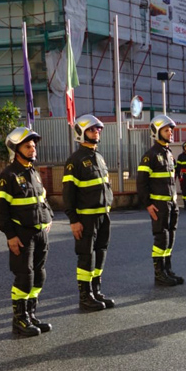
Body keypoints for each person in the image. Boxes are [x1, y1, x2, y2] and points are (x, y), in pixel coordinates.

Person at [0, 127, 54, 337]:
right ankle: (19, 319)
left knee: (39, 275)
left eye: (33, 146)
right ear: (16, 149)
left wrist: (49, 217)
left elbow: (42, 198)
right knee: (24, 276)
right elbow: (0, 211)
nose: (32, 149)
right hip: (22, 235)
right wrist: (10, 235)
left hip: (40, 233)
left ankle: (30, 314)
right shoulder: (7, 176)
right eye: (27, 146)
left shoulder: (33, 172)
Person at [62, 114, 115, 311]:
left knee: (100, 253)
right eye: (92, 129)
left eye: (98, 129)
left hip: (103, 215)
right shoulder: (74, 161)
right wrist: (74, 220)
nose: (97, 132)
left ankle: (96, 290)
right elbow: (68, 194)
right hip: (86, 217)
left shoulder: (99, 157)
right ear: (81, 133)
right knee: (86, 255)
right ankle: (85, 296)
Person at [137, 114, 182, 286]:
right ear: (157, 132)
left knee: (170, 236)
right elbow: (141, 183)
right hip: (159, 205)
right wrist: (148, 204)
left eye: (171, 129)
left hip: (172, 203)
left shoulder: (169, 153)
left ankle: (167, 269)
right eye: (166, 130)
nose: (170, 132)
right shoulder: (151, 155)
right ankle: (159, 273)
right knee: (161, 238)